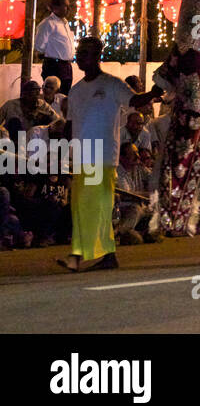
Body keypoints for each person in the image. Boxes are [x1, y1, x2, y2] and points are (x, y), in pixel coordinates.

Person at [56, 37, 133, 272]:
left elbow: (134, 100)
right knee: (80, 207)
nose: (80, 57)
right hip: (81, 158)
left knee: (98, 206)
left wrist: (156, 92)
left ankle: (102, 256)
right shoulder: (76, 90)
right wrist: (57, 152)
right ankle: (81, 255)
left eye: (86, 53)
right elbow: (70, 127)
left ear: (98, 55)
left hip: (102, 157)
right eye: (79, 53)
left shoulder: (112, 84)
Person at [34, 0, 76, 94]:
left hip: (66, 66)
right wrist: (52, 53)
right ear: (55, 8)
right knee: (53, 96)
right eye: (66, 6)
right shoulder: (48, 23)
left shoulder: (64, 23)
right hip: (54, 66)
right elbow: (39, 46)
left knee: (64, 96)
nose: (69, 9)